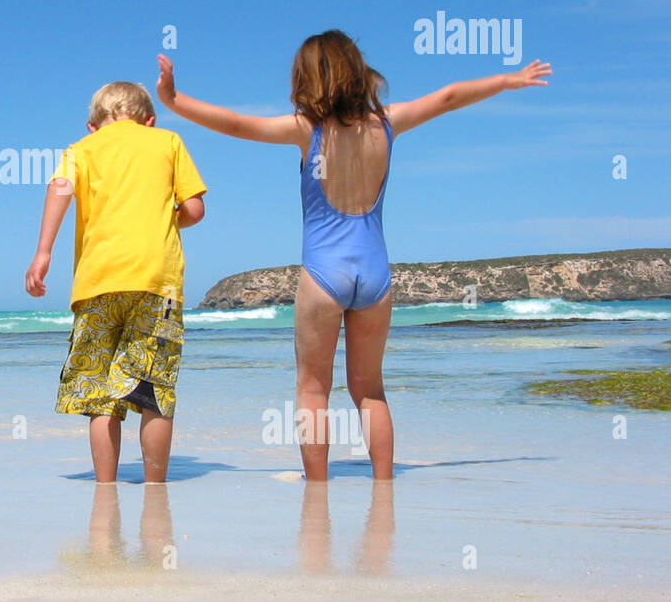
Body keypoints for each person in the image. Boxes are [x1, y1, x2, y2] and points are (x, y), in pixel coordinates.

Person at [156, 31, 551, 481]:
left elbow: (234, 123)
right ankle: (385, 484)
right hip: (376, 275)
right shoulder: (388, 123)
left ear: (306, 78)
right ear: (359, 72)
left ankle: (317, 487)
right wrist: (507, 80)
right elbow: (448, 97)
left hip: (325, 275)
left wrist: (173, 98)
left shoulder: (306, 129)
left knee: (312, 389)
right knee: (370, 390)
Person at [26, 81, 207, 483]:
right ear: (150, 120)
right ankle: (155, 486)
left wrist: (43, 252)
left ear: (93, 126)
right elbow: (194, 209)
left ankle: (105, 488)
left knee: (100, 395)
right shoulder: (168, 141)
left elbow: (60, 188)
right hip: (156, 281)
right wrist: (165, 219)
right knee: (153, 391)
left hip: (97, 283)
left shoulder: (81, 150)